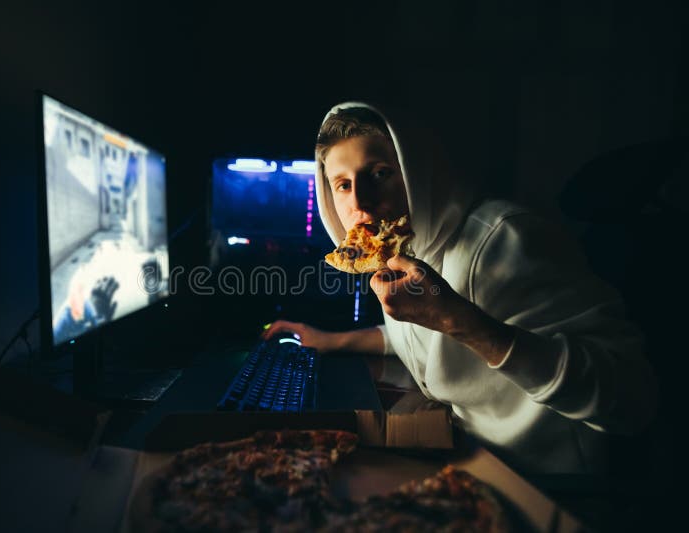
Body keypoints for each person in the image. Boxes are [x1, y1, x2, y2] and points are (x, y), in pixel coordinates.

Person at [263, 103, 658, 475]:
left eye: (380, 173)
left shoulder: (507, 239)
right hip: (466, 459)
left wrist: (460, 321)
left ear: (417, 171)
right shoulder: (404, 248)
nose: (361, 203)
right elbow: (419, 337)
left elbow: (633, 399)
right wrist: (331, 341)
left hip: (548, 483)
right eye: (343, 185)